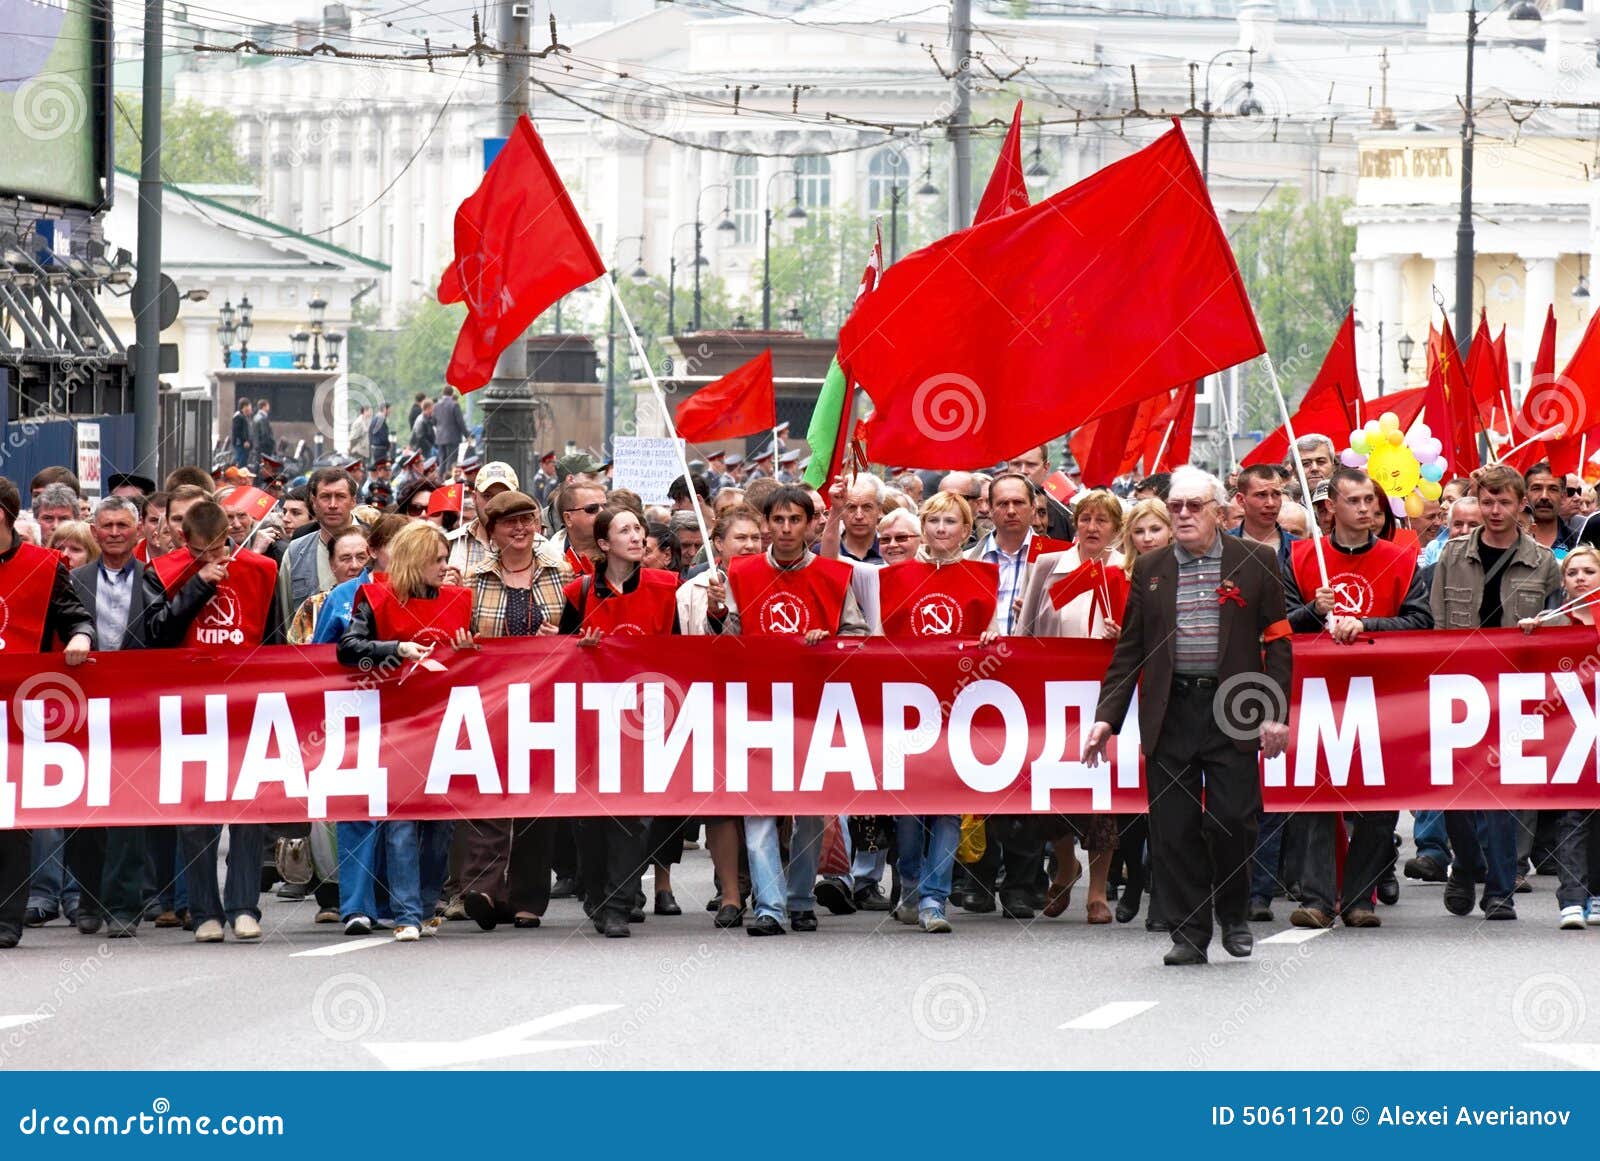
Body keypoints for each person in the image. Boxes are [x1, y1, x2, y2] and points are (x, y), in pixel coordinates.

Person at [1084, 466, 1292, 966]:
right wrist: (1106, 718)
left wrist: (1274, 712)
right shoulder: (1152, 568)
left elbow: (1279, 642)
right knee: (1173, 829)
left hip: (1233, 710)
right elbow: (1130, 651)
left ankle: (1235, 913)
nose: (1181, 514)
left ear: (1219, 512)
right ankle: (1188, 933)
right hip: (1170, 711)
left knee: (1233, 821)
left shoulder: (1256, 561)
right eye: (1175, 506)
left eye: (1193, 506)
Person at [712, 486, 869, 936]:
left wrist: (830, 642)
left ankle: (800, 898)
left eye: (794, 520)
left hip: (814, 713)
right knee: (757, 810)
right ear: (766, 524)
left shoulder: (836, 576)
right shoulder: (739, 574)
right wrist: (719, 615)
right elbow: (726, 646)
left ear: (809, 524)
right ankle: (770, 906)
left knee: (808, 812)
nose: (784, 529)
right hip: (757, 709)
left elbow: (858, 640)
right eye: (777, 520)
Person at [1280, 467, 1432, 929]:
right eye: (1356, 501)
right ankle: (1318, 898)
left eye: (1371, 500)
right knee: (1316, 794)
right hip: (1317, 695)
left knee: (1379, 798)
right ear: (1330, 508)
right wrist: (1314, 611)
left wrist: (1367, 625)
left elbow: (1422, 623)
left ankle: (1361, 897)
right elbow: (1280, 625)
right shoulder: (1302, 558)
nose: (1367, 509)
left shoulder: (1403, 559)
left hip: (1383, 694)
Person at [145, 498, 283, 942]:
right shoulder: (164, 572)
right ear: (185, 541)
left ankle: (245, 907)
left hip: (248, 706)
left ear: (231, 534)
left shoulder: (262, 570)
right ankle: (205, 911)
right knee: (196, 812)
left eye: (221, 548)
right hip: (187, 708)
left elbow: (277, 641)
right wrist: (198, 585)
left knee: (249, 807)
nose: (216, 558)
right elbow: (153, 636)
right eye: (204, 552)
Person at [1430, 463, 1560, 921]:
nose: (1495, 510)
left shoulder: (1543, 562)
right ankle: (1466, 865)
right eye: (1487, 501)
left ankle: (1500, 890)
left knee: (1502, 792)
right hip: (1459, 685)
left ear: (1520, 504)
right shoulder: (1452, 555)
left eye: (1504, 502)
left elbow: (1561, 625)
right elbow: (1438, 623)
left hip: (1514, 687)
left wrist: (1543, 628)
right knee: (1456, 793)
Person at [336, 521, 469, 940]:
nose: (446, 567)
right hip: (393, 724)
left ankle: (426, 906)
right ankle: (407, 915)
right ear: (416, 560)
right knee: (400, 821)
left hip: (446, 724)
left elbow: (479, 656)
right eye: (438, 560)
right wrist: (394, 649)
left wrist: (471, 649)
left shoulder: (460, 600)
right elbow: (348, 649)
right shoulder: (374, 598)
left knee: (441, 826)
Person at [877, 492, 1001, 933]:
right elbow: (880, 641)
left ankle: (935, 899)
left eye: (951, 521)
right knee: (909, 809)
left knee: (948, 809)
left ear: (967, 530)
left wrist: (992, 636)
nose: (942, 529)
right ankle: (910, 877)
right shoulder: (895, 577)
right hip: (909, 709)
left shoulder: (986, 575)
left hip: (961, 709)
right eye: (934, 521)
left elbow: (996, 632)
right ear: (923, 528)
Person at [557, 507, 681, 938]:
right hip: (592, 720)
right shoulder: (579, 593)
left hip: (648, 717)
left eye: (639, 529)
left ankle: (618, 902)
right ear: (605, 544)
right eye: (624, 530)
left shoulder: (667, 589)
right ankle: (595, 892)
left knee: (636, 815)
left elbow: (686, 653)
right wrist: (579, 647)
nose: (636, 536)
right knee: (590, 816)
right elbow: (559, 657)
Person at [457, 491, 571, 932]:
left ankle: (526, 898)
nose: (520, 529)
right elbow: (458, 633)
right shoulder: (471, 581)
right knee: (486, 793)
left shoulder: (561, 575)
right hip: (490, 702)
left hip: (546, 704)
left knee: (537, 800)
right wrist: (464, 644)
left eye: (527, 520)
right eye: (510, 524)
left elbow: (580, 634)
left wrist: (560, 635)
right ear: (493, 532)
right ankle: (483, 889)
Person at [1018, 490, 1126, 925]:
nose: (1092, 527)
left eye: (1103, 520)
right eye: (1085, 519)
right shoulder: (1049, 565)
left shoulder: (1128, 568)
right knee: (1054, 786)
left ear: (1117, 529)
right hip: (1055, 694)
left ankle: (1097, 891)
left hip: (1106, 695)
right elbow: (1026, 629)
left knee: (1104, 795)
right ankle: (1065, 863)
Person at [0, 477, 95, 950]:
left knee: (12, 819)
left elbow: (75, 615)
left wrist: (80, 637)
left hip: (20, 708)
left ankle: (7, 917)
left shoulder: (44, 565)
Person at [65, 497, 155, 937]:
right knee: (83, 807)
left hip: (139, 710)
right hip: (84, 709)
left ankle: (124, 905)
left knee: (130, 809)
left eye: (123, 524)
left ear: (137, 531)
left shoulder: (156, 579)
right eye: (107, 526)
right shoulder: (72, 579)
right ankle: (88, 899)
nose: (116, 532)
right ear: (94, 531)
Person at [1518, 544, 1600, 929]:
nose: (1580, 578)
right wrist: (1531, 637)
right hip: (1566, 734)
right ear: (1563, 581)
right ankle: (1570, 898)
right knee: (1572, 813)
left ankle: (1595, 894)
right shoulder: (1551, 620)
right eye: (1573, 573)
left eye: (1589, 571)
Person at [1109, 498, 1173, 926]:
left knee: (1168, 803)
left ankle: (1162, 888)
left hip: (1169, 698)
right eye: (1140, 531)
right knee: (1129, 803)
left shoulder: (1183, 572)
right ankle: (1134, 877)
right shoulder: (1118, 578)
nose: (1147, 538)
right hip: (1128, 699)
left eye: (1155, 529)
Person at [282, 467, 358, 612]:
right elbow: (285, 616)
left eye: (341, 496)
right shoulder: (295, 552)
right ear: (314, 501)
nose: (333, 505)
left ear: (353, 501)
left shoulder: (376, 544)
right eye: (325, 497)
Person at [288, 525, 370, 644]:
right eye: (345, 558)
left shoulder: (384, 600)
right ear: (332, 564)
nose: (355, 566)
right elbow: (294, 656)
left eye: (361, 557)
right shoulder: (313, 606)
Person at [551, 476, 607, 575]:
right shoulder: (551, 558)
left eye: (605, 506)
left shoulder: (622, 548)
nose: (603, 513)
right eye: (592, 509)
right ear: (568, 518)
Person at [1524, 462, 1577, 560]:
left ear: (1564, 496)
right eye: (1537, 488)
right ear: (1525, 495)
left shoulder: (1577, 542)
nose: (1544, 496)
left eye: (1553, 489)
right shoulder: (1509, 538)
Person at [433, 387, 466, 474]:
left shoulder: (436, 406)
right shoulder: (454, 404)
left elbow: (433, 421)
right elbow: (460, 422)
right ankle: (449, 479)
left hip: (440, 438)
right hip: (453, 437)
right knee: (452, 461)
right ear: (452, 393)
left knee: (442, 461)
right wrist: (467, 435)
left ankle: (440, 479)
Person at [252, 397, 275, 465]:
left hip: (257, 445)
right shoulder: (263, 418)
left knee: (258, 464)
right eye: (268, 405)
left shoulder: (255, 417)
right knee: (265, 466)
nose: (269, 407)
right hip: (264, 447)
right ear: (264, 407)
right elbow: (265, 433)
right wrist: (270, 444)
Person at [231, 398, 253, 467]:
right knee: (241, 462)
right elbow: (237, 431)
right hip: (241, 444)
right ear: (244, 406)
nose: (250, 408)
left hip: (242, 444)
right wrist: (244, 441)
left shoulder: (243, 416)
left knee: (242, 462)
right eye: (249, 406)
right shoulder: (239, 417)